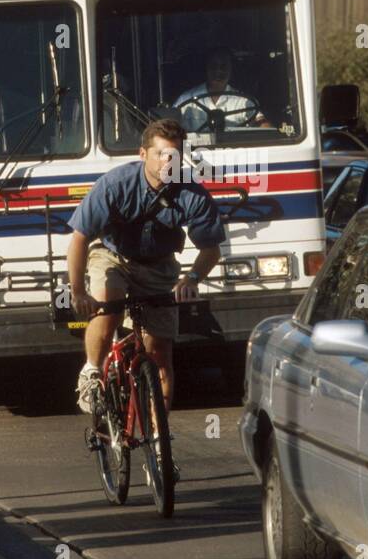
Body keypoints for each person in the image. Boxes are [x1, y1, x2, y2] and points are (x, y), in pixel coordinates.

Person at [66, 119, 226, 461]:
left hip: (158, 265)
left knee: (159, 356)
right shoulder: (115, 185)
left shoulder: (191, 192)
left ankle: (158, 438)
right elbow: (79, 238)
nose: (168, 164)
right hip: (113, 256)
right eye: (160, 155)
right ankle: (93, 371)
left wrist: (192, 279)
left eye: (175, 156)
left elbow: (211, 249)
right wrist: (78, 291)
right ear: (143, 154)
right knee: (108, 305)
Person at [172, 49, 268, 131]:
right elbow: (169, 128)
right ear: (206, 68)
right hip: (192, 150)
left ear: (231, 69)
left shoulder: (244, 101)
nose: (218, 71)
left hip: (233, 151)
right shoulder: (185, 99)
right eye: (213, 66)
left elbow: (263, 126)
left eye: (224, 66)